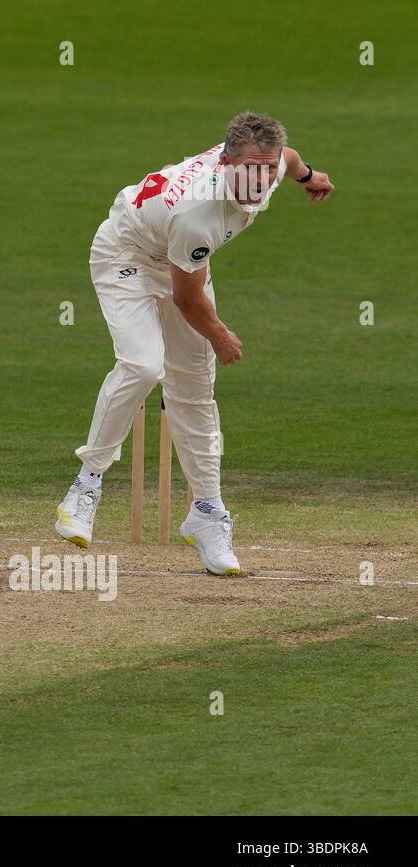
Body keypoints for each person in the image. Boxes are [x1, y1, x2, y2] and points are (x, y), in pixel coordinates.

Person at [55, 112, 333, 575]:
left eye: (268, 169)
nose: (261, 178)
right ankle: (86, 485)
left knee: (194, 391)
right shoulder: (197, 211)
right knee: (144, 366)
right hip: (128, 256)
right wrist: (221, 335)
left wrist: (308, 176)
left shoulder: (267, 165)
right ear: (225, 162)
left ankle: (207, 514)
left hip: (180, 261)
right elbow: (187, 299)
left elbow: (288, 157)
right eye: (251, 168)